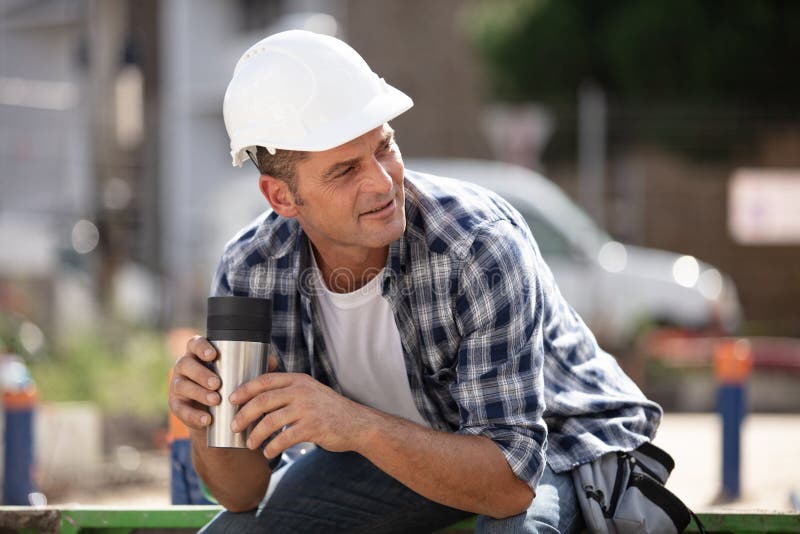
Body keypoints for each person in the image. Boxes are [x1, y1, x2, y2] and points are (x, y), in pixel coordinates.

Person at [168, 30, 662, 533]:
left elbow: (510, 482)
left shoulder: (477, 245)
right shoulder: (251, 269)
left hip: (558, 441)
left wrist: (351, 423)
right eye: (344, 171)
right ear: (281, 198)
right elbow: (239, 493)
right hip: (391, 452)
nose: (382, 182)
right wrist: (203, 422)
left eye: (384, 147)